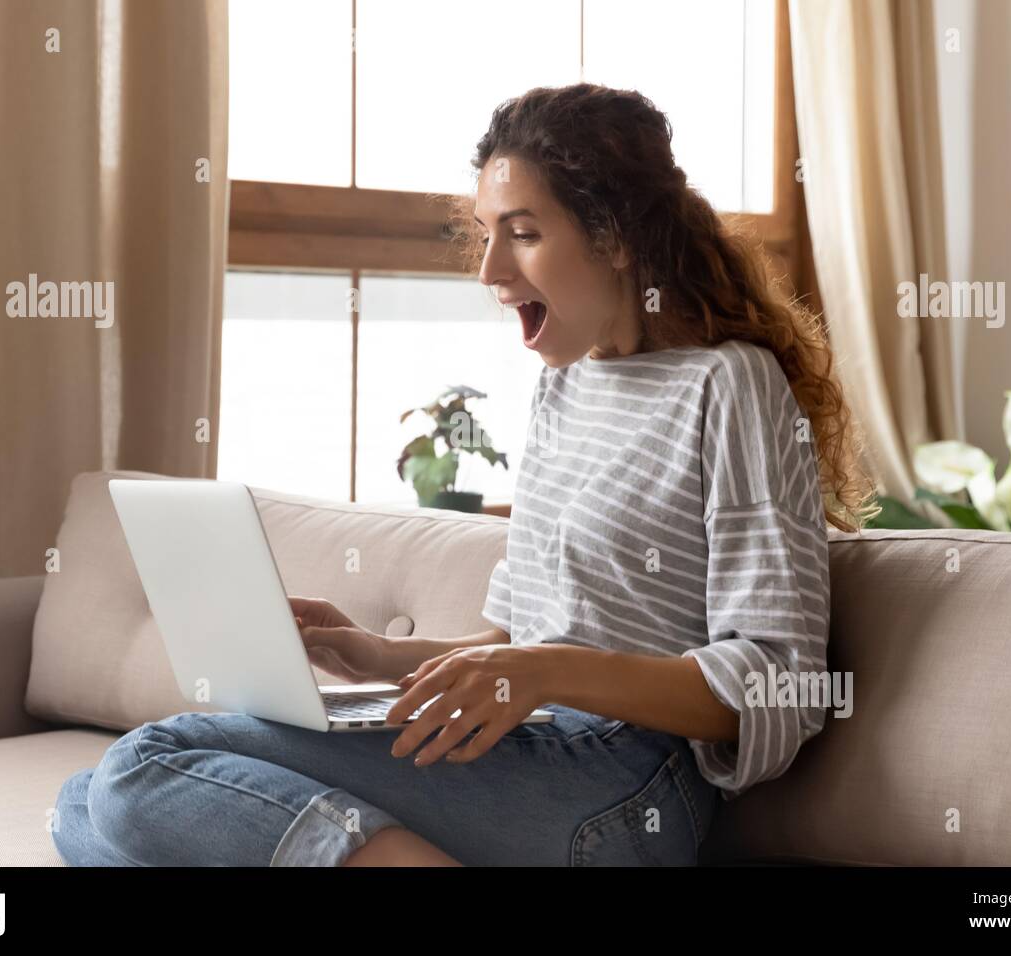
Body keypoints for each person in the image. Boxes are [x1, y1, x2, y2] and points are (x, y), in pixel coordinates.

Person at [52, 82, 878, 867]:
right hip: (528, 750)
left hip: (630, 787)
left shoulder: (729, 385)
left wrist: (545, 670)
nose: (489, 271)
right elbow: (519, 641)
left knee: (140, 774)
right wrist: (379, 658)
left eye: (522, 232)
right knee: (82, 803)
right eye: (486, 233)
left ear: (616, 236)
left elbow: (780, 684)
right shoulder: (565, 385)